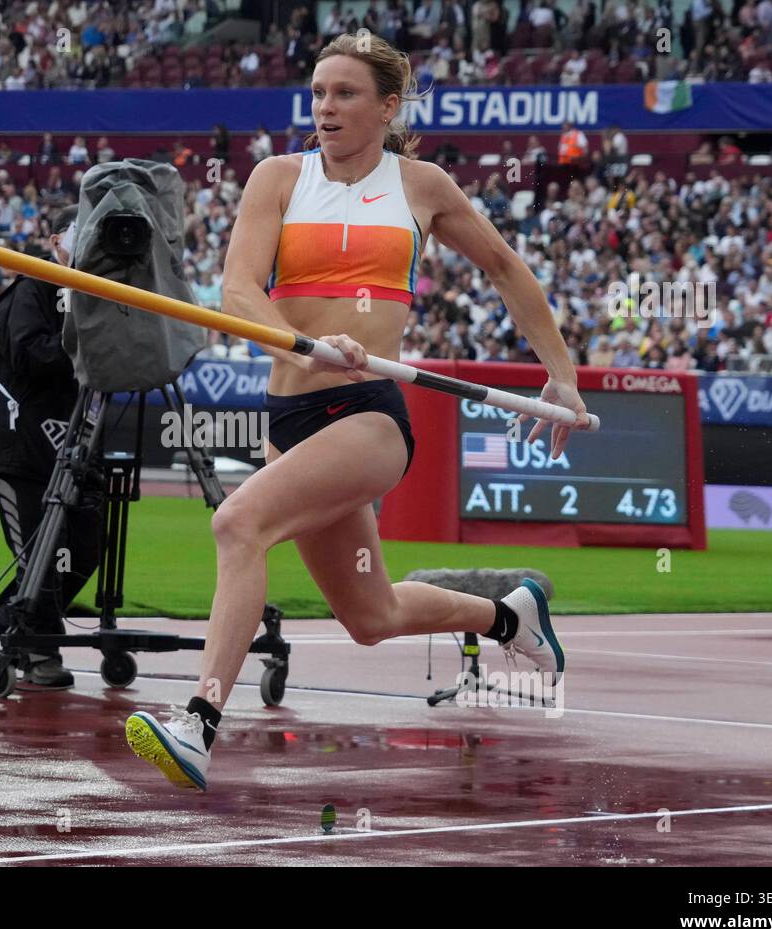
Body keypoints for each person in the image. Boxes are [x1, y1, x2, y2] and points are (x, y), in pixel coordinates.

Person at [125, 32, 591, 791]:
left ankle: (199, 723)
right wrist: (302, 343)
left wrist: (561, 377)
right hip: (290, 413)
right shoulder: (278, 177)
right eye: (317, 93)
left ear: (387, 107)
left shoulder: (422, 186)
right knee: (370, 616)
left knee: (237, 522)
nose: (326, 108)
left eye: (345, 94)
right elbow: (238, 291)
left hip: (369, 415)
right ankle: (511, 617)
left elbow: (506, 267)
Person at [0, 204, 101, 691]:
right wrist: (85, 338)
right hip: (20, 446)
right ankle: (40, 650)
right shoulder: (32, 287)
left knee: (85, 550)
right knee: (39, 554)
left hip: (76, 448)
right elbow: (28, 355)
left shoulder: (98, 293)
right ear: (55, 241)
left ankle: (14, 624)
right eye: (79, 233)